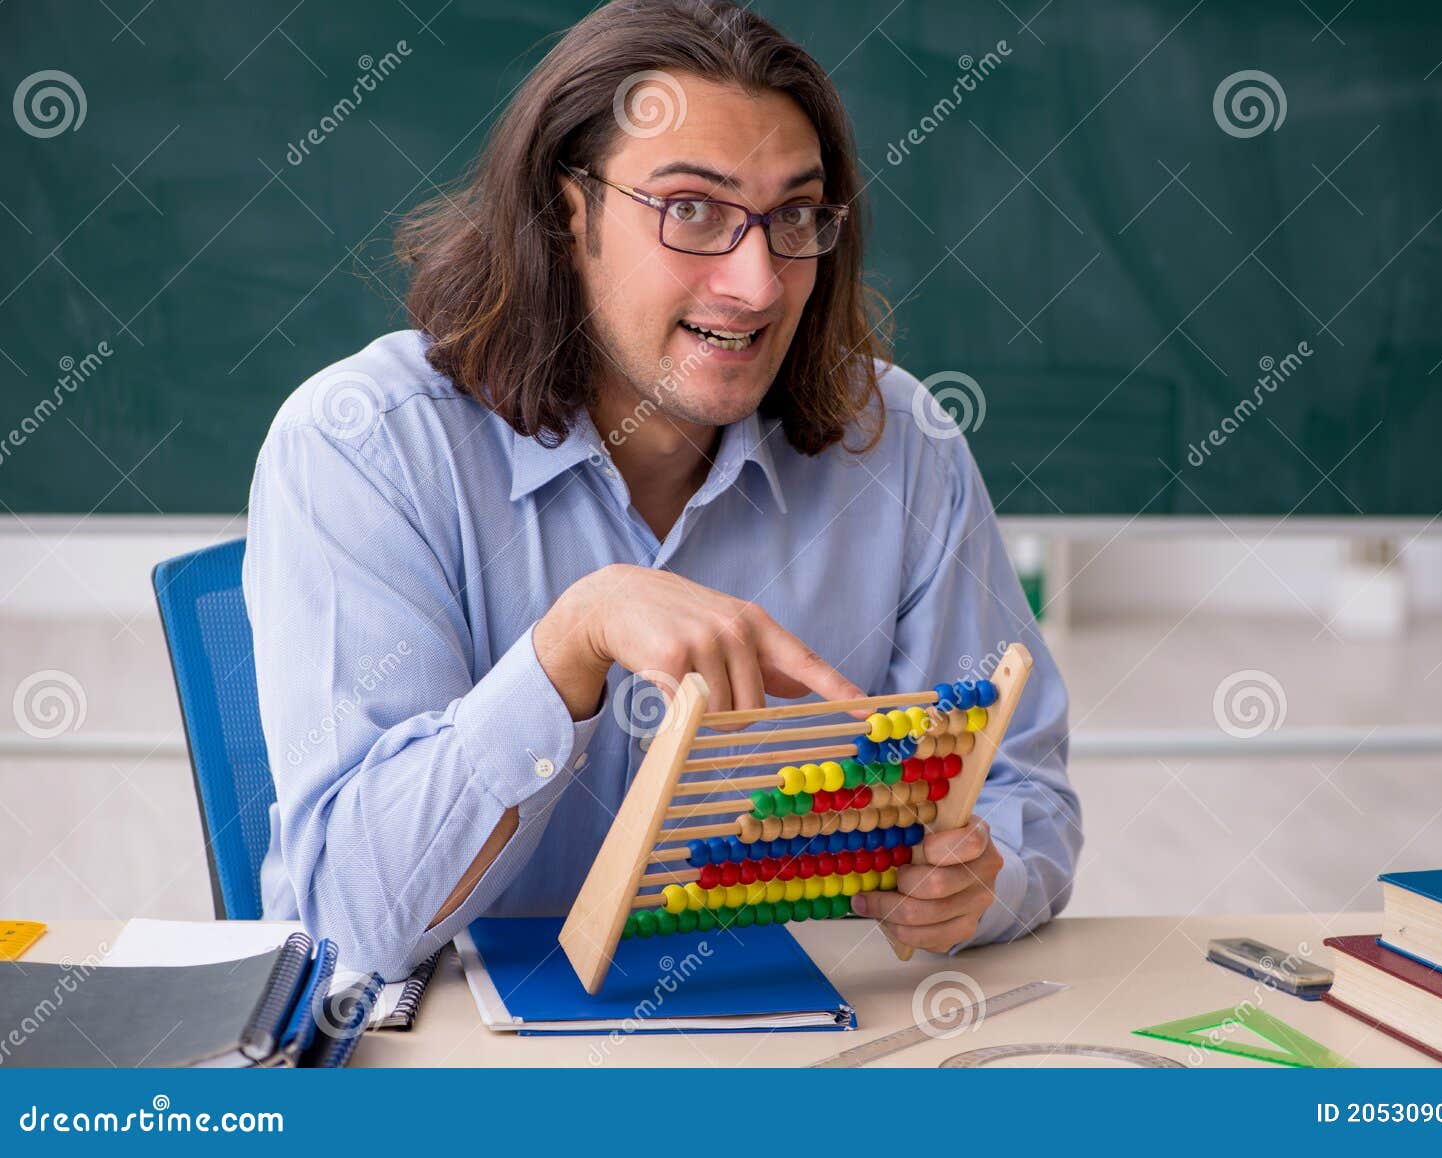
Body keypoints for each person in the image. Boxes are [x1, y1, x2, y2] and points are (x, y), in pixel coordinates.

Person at [243, 0, 1082, 981]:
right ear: (567, 215)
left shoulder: (898, 447)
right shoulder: (364, 445)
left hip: (793, 1053)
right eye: (693, 211)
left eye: (795, 217)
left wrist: (979, 881)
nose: (758, 282)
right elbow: (355, 914)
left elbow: (1023, 793)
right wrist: (570, 643)